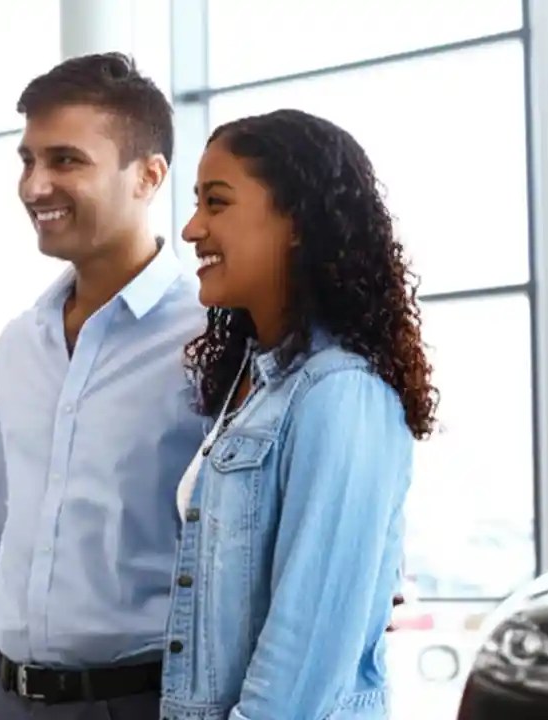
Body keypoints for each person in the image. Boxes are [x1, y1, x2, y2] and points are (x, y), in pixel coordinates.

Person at [0, 53, 208, 720]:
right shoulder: (19, 344)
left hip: (141, 703)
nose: (35, 186)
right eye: (27, 160)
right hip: (7, 702)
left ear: (148, 176)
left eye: (65, 160)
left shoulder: (212, 336)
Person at [163, 108, 439, 719]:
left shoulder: (340, 391)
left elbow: (303, 658)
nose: (190, 229)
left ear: (295, 223)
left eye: (217, 203)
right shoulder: (257, 381)